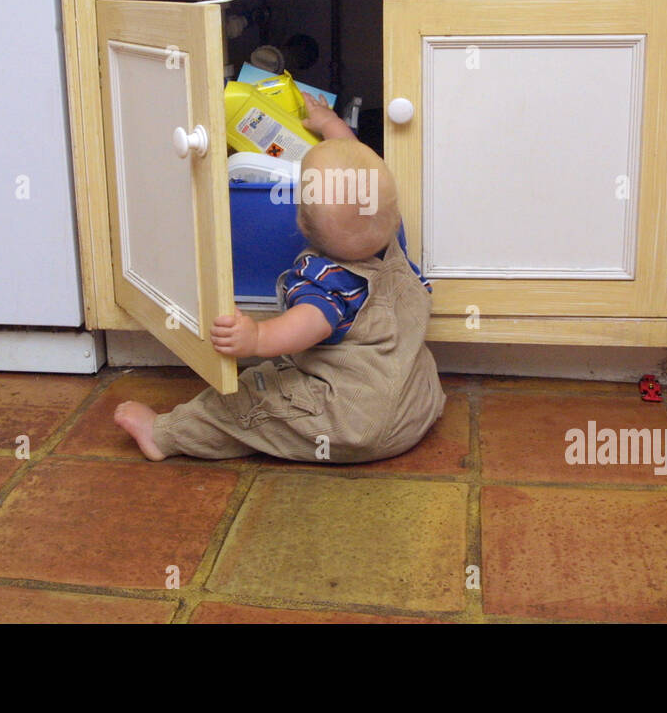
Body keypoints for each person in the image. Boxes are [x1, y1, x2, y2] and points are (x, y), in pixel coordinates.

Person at [114, 94, 445, 463]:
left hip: (353, 424)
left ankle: (165, 434)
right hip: (415, 406)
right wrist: (330, 125)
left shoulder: (326, 281)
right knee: (285, 386)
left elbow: (306, 326)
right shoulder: (390, 236)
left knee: (248, 403)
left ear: (302, 223)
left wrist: (256, 337)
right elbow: (358, 174)